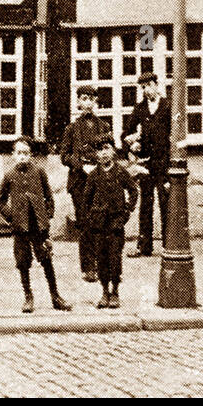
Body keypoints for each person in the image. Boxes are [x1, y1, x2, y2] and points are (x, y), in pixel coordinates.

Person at [0, 137, 72, 313]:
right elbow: (0, 202)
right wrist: (12, 217)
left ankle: (55, 296)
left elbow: (49, 197)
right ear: (13, 155)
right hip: (20, 227)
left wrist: (47, 215)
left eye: (26, 153)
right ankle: (28, 297)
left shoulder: (39, 172)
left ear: (30, 155)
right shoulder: (9, 176)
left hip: (39, 226)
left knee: (46, 260)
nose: (22, 156)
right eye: (19, 153)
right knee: (23, 262)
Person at [59, 86, 114, 282]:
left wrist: (97, 162)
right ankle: (88, 267)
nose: (88, 103)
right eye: (84, 99)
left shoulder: (104, 127)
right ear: (79, 103)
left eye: (91, 99)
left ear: (95, 102)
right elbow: (64, 156)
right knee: (85, 223)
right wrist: (80, 164)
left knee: (100, 221)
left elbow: (109, 151)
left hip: (99, 180)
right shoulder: (72, 129)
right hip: (79, 182)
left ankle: (101, 264)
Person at [83, 140, 137, 309]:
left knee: (115, 258)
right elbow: (86, 199)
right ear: (96, 155)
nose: (104, 153)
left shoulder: (120, 171)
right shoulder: (93, 175)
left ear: (113, 151)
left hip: (115, 223)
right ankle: (104, 291)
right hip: (99, 225)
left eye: (107, 149)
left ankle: (115, 291)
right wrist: (91, 216)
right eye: (100, 150)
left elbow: (133, 190)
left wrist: (127, 210)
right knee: (101, 257)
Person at [124, 72, 171, 258]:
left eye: (147, 86)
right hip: (146, 163)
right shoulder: (140, 108)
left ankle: (170, 245)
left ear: (155, 85)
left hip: (164, 162)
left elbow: (174, 134)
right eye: (142, 88)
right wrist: (132, 142)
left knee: (165, 203)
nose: (145, 91)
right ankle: (144, 247)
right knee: (146, 204)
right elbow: (126, 132)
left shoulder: (167, 106)